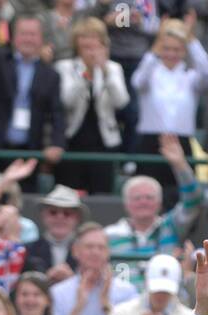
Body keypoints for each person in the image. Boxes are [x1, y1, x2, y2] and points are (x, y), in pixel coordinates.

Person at [0, 14, 66, 189]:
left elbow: (57, 112)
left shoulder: (51, 75)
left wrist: (57, 144)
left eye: (33, 34)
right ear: (14, 37)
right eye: (23, 33)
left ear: (41, 38)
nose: (28, 39)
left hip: (27, 152)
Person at [132, 17, 208, 202]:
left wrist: (191, 39)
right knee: (147, 198)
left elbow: (207, 72)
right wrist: (155, 47)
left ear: (184, 51)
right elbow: (137, 81)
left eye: (176, 49)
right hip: (150, 144)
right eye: (166, 48)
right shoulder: (150, 73)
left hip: (182, 144)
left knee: (182, 198)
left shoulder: (191, 77)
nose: (171, 54)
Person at [104, 135, 202, 284]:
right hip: (122, 304)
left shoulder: (171, 226)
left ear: (159, 203)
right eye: (137, 198)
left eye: (149, 197)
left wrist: (179, 164)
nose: (143, 202)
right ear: (126, 204)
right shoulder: (108, 235)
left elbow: (193, 201)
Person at [55, 17, 129, 195]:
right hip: (73, 140)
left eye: (94, 45)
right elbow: (66, 100)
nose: (90, 51)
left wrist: (104, 73)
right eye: (85, 47)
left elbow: (122, 101)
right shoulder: (65, 67)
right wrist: (84, 75)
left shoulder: (113, 69)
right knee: (68, 194)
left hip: (104, 142)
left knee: (101, 194)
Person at [51, 223, 140, 315]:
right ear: (75, 251)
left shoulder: (126, 292)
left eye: (101, 247)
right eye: (89, 247)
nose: (95, 252)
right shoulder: (59, 292)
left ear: (108, 252)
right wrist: (78, 308)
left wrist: (107, 306)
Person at [23, 186, 86, 284]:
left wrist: (72, 280)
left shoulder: (87, 252)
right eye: (53, 212)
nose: (60, 217)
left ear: (77, 218)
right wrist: (45, 279)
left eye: (67, 213)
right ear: (43, 215)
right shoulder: (28, 250)